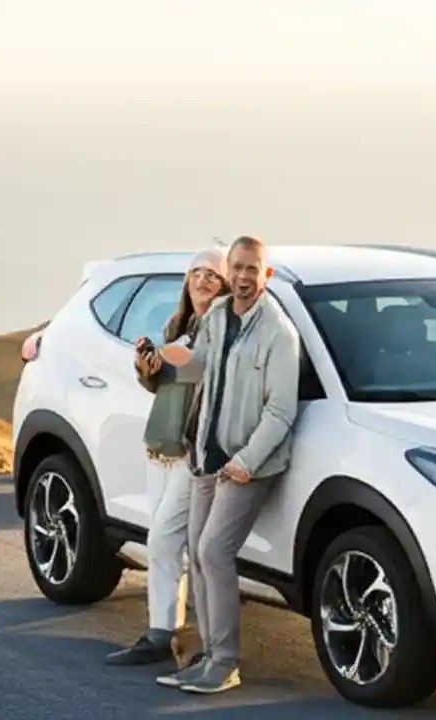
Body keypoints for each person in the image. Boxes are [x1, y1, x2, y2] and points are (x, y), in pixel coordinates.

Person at [155, 235, 301, 694]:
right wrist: (159, 361)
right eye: (235, 268)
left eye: (251, 270)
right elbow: (197, 365)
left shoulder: (279, 333)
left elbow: (281, 412)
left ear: (266, 275)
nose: (241, 277)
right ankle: (205, 657)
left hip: (247, 467)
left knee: (215, 552)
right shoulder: (217, 316)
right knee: (197, 554)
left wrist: (246, 461)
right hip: (205, 458)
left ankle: (225, 662)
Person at [104, 247, 230, 666]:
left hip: (192, 454)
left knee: (163, 540)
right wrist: (149, 370)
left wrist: (170, 359)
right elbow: (164, 386)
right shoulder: (178, 324)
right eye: (196, 273)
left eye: (212, 274)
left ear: (225, 283)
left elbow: (200, 370)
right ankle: (167, 631)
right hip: (160, 448)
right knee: (165, 546)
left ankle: (170, 634)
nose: (202, 280)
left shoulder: (223, 327)